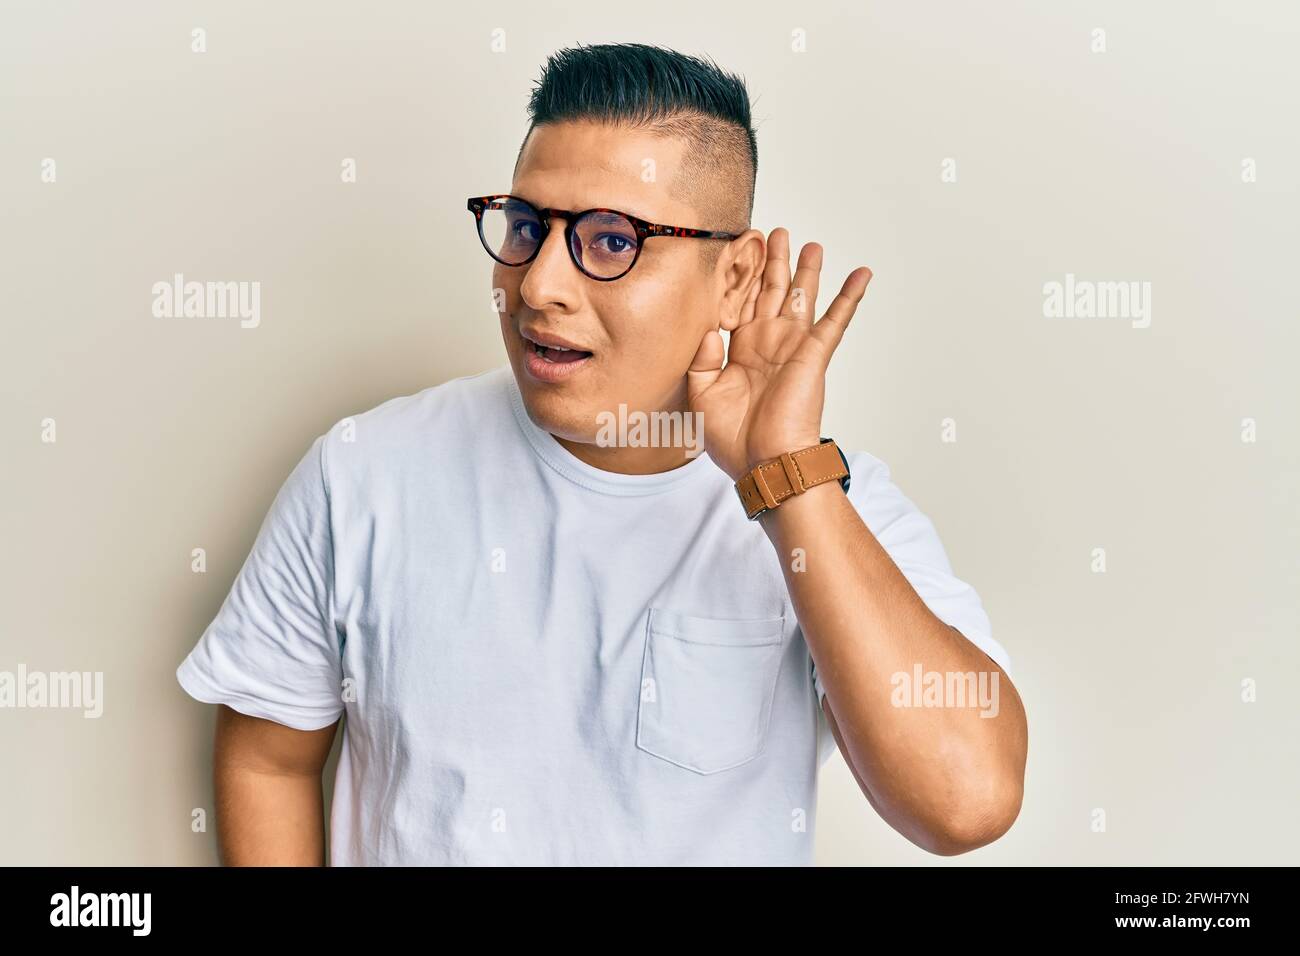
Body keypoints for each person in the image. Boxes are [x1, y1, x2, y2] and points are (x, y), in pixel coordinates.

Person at [177, 42, 1027, 866]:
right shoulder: (363, 474)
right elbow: (269, 758)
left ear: (733, 279)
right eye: (524, 226)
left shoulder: (830, 507)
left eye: (611, 240)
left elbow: (966, 801)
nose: (538, 285)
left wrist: (785, 479)